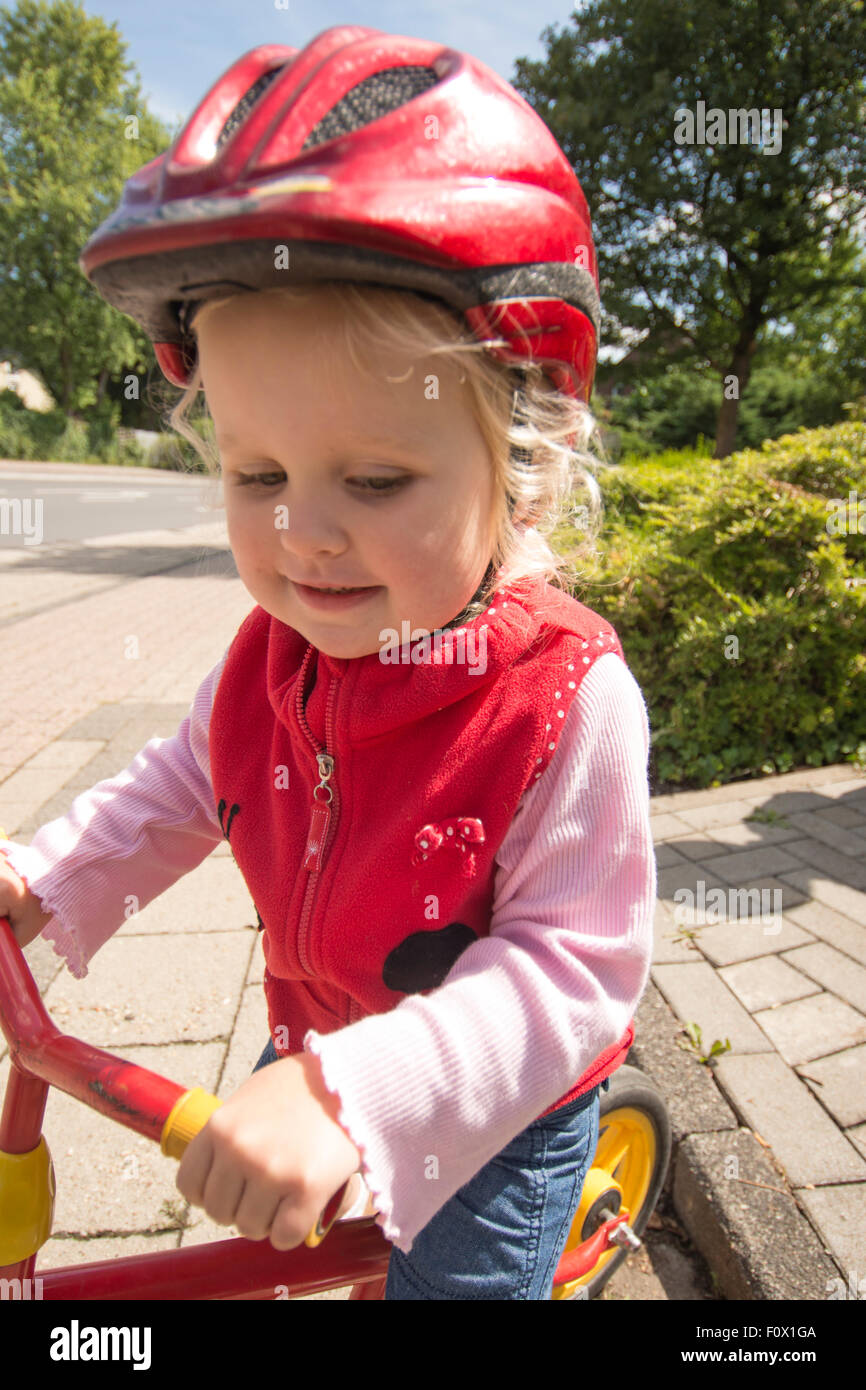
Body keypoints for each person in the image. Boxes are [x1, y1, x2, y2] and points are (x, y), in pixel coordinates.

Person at [0, 25, 656, 1299]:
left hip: (496, 1109)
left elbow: (573, 973)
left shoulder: (567, 701)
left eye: (372, 478)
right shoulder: (269, 659)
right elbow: (176, 790)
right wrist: (37, 878)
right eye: (258, 476)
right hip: (323, 1037)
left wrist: (349, 1090)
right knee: (263, 1234)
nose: (303, 534)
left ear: (521, 463)